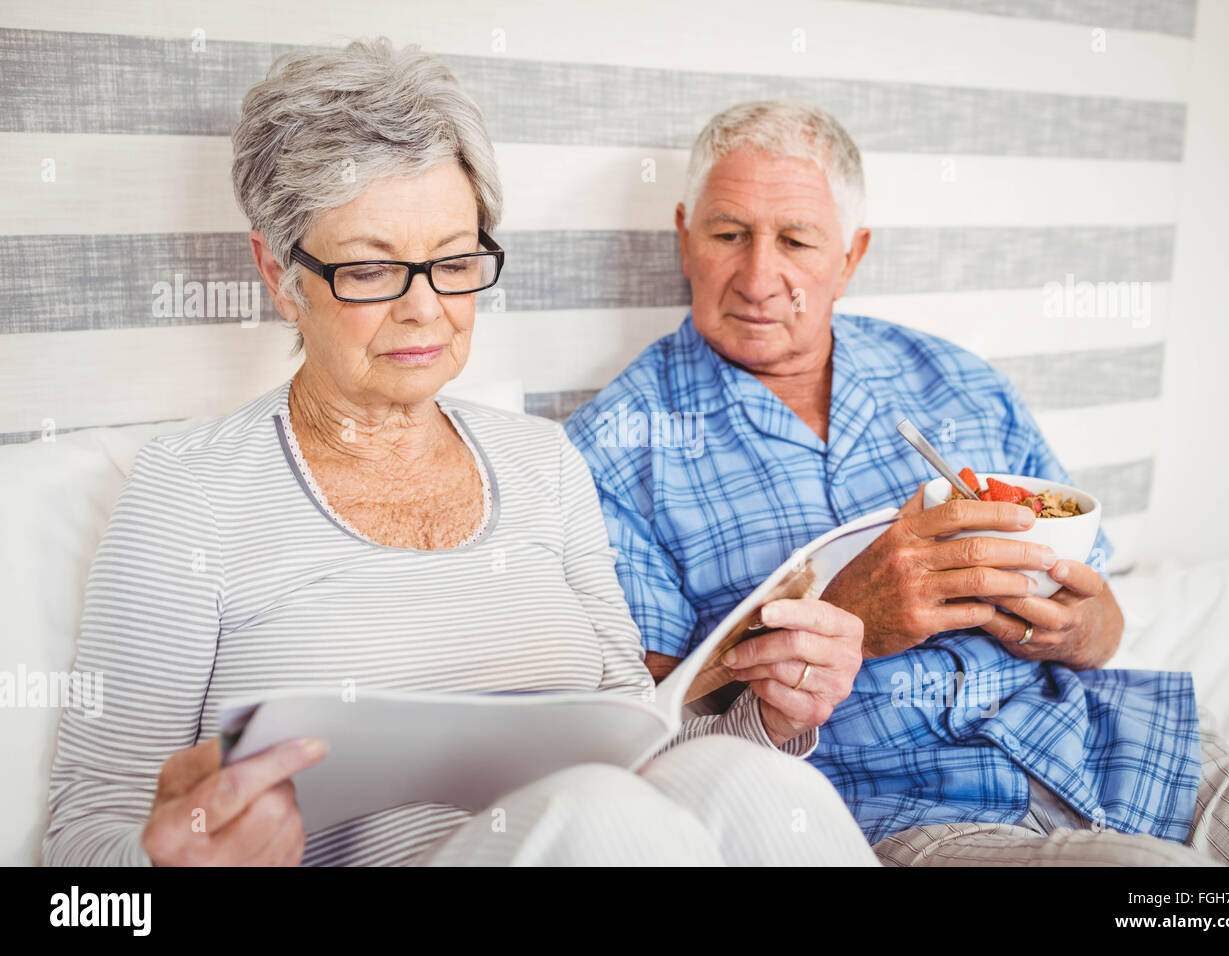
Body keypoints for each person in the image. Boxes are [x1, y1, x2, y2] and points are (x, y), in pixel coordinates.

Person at [40, 44, 876, 867]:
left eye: (452, 261)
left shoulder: (545, 462)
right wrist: (175, 861)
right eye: (370, 270)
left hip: (608, 836)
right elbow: (80, 848)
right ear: (277, 272)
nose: (425, 311)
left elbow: (642, 737)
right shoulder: (189, 489)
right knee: (601, 815)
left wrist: (768, 713)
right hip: (576, 837)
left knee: (757, 784)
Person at [565, 100, 1229, 866]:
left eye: (796, 240)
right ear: (685, 238)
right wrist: (848, 615)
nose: (759, 277)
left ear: (851, 256)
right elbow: (659, 733)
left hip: (1122, 749)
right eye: (727, 235)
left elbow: (1103, 621)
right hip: (907, 807)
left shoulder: (958, 381)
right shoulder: (611, 452)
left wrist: (1077, 628)